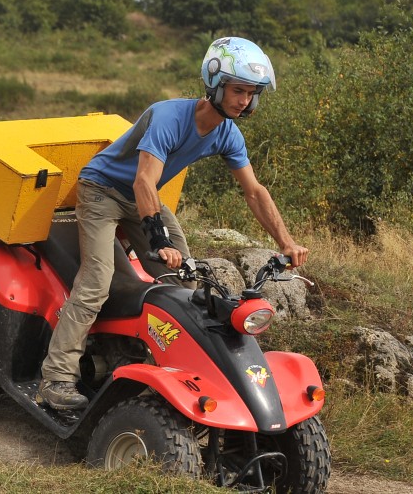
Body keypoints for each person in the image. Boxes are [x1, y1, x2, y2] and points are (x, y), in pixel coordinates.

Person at [35, 37, 310, 410]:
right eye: (237, 89)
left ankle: (157, 363)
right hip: (101, 190)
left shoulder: (228, 134)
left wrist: (286, 242)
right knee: (96, 283)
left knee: (187, 282)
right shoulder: (168, 116)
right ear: (214, 83)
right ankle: (56, 378)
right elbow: (143, 181)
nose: (244, 100)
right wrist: (158, 238)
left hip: (141, 199)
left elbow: (255, 192)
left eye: (251, 93)